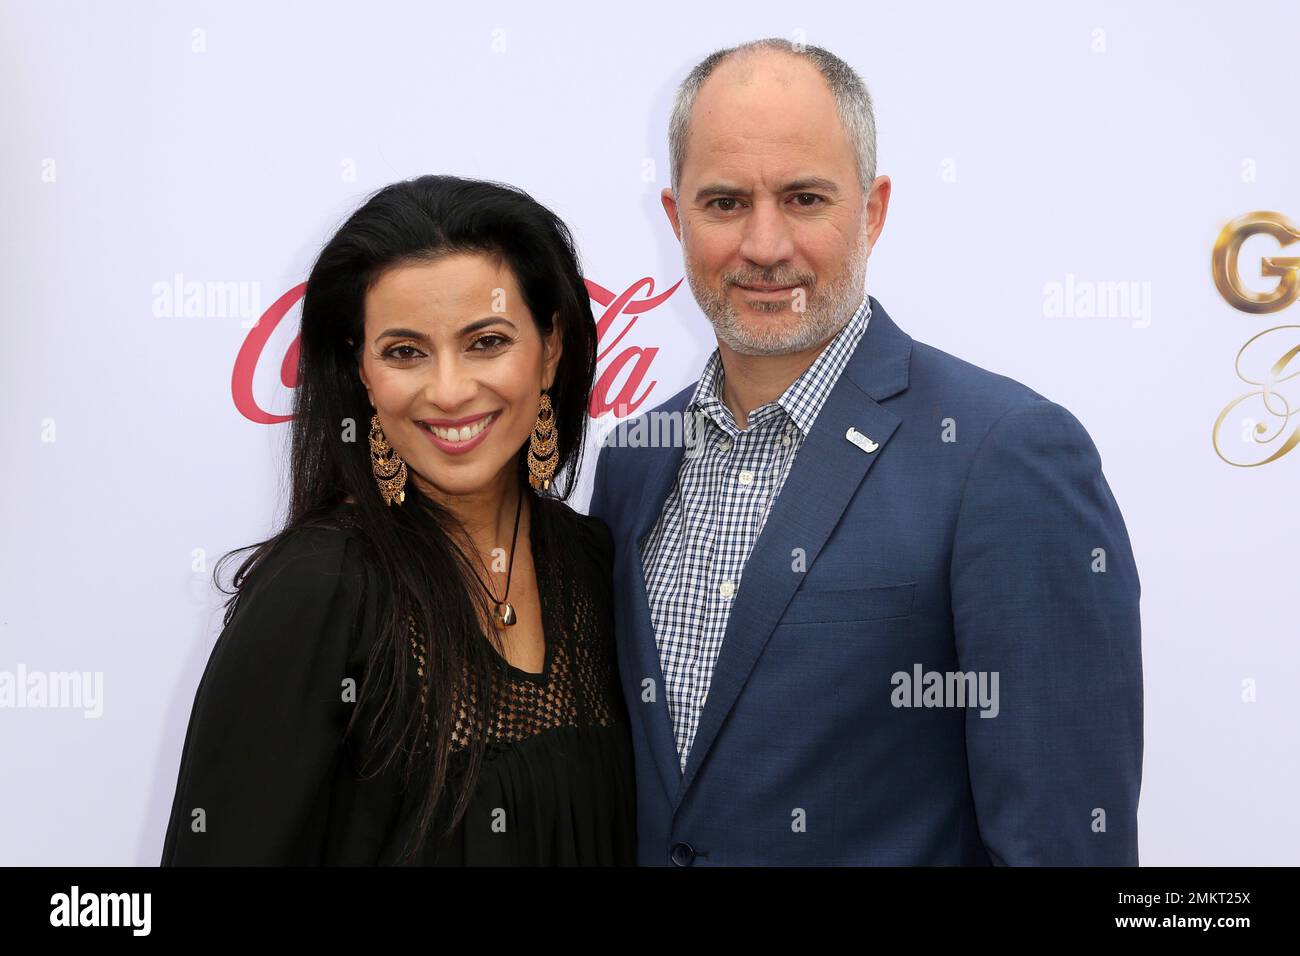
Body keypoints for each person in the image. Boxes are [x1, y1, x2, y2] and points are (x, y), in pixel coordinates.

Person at [588, 38, 1143, 865]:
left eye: (805, 198)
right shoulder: (632, 462)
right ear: (675, 218)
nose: (765, 245)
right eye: (725, 202)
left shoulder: (1006, 456)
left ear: (874, 210)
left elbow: (1063, 842)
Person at [162, 175, 635, 865]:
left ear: (551, 347)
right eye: (405, 352)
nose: (447, 391)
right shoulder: (322, 589)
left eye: (486, 341)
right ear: (362, 372)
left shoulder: (593, 564)